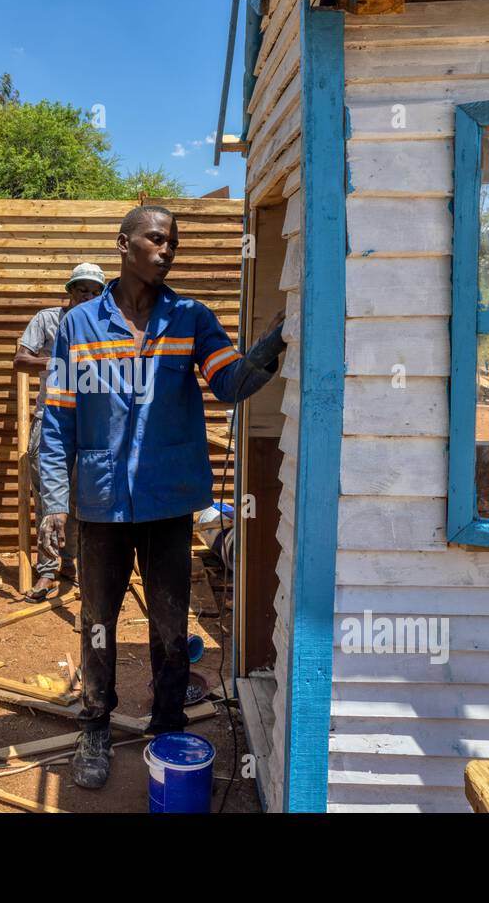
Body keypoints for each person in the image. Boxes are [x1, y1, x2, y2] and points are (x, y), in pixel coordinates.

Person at [39, 206, 286, 789]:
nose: (167, 249)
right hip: (100, 502)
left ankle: (167, 724)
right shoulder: (79, 326)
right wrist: (54, 498)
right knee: (98, 620)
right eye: (156, 239)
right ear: (124, 245)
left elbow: (231, 383)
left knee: (172, 625)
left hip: (170, 500)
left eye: (173, 241)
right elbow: (57, 420)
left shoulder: (191, 318)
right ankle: (94, 725)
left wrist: (274, 341)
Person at [13, 261, 106, 602]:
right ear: (70, 291)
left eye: (96, 291)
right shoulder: (49, 319)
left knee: (84, 500)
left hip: (91, 423)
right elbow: (21, 360)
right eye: (82, 289)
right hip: (51, 418)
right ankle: (47, 571)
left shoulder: (105, 326)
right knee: (48, 497)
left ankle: (72, 564)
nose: (88, 296)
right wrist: (58, 364)